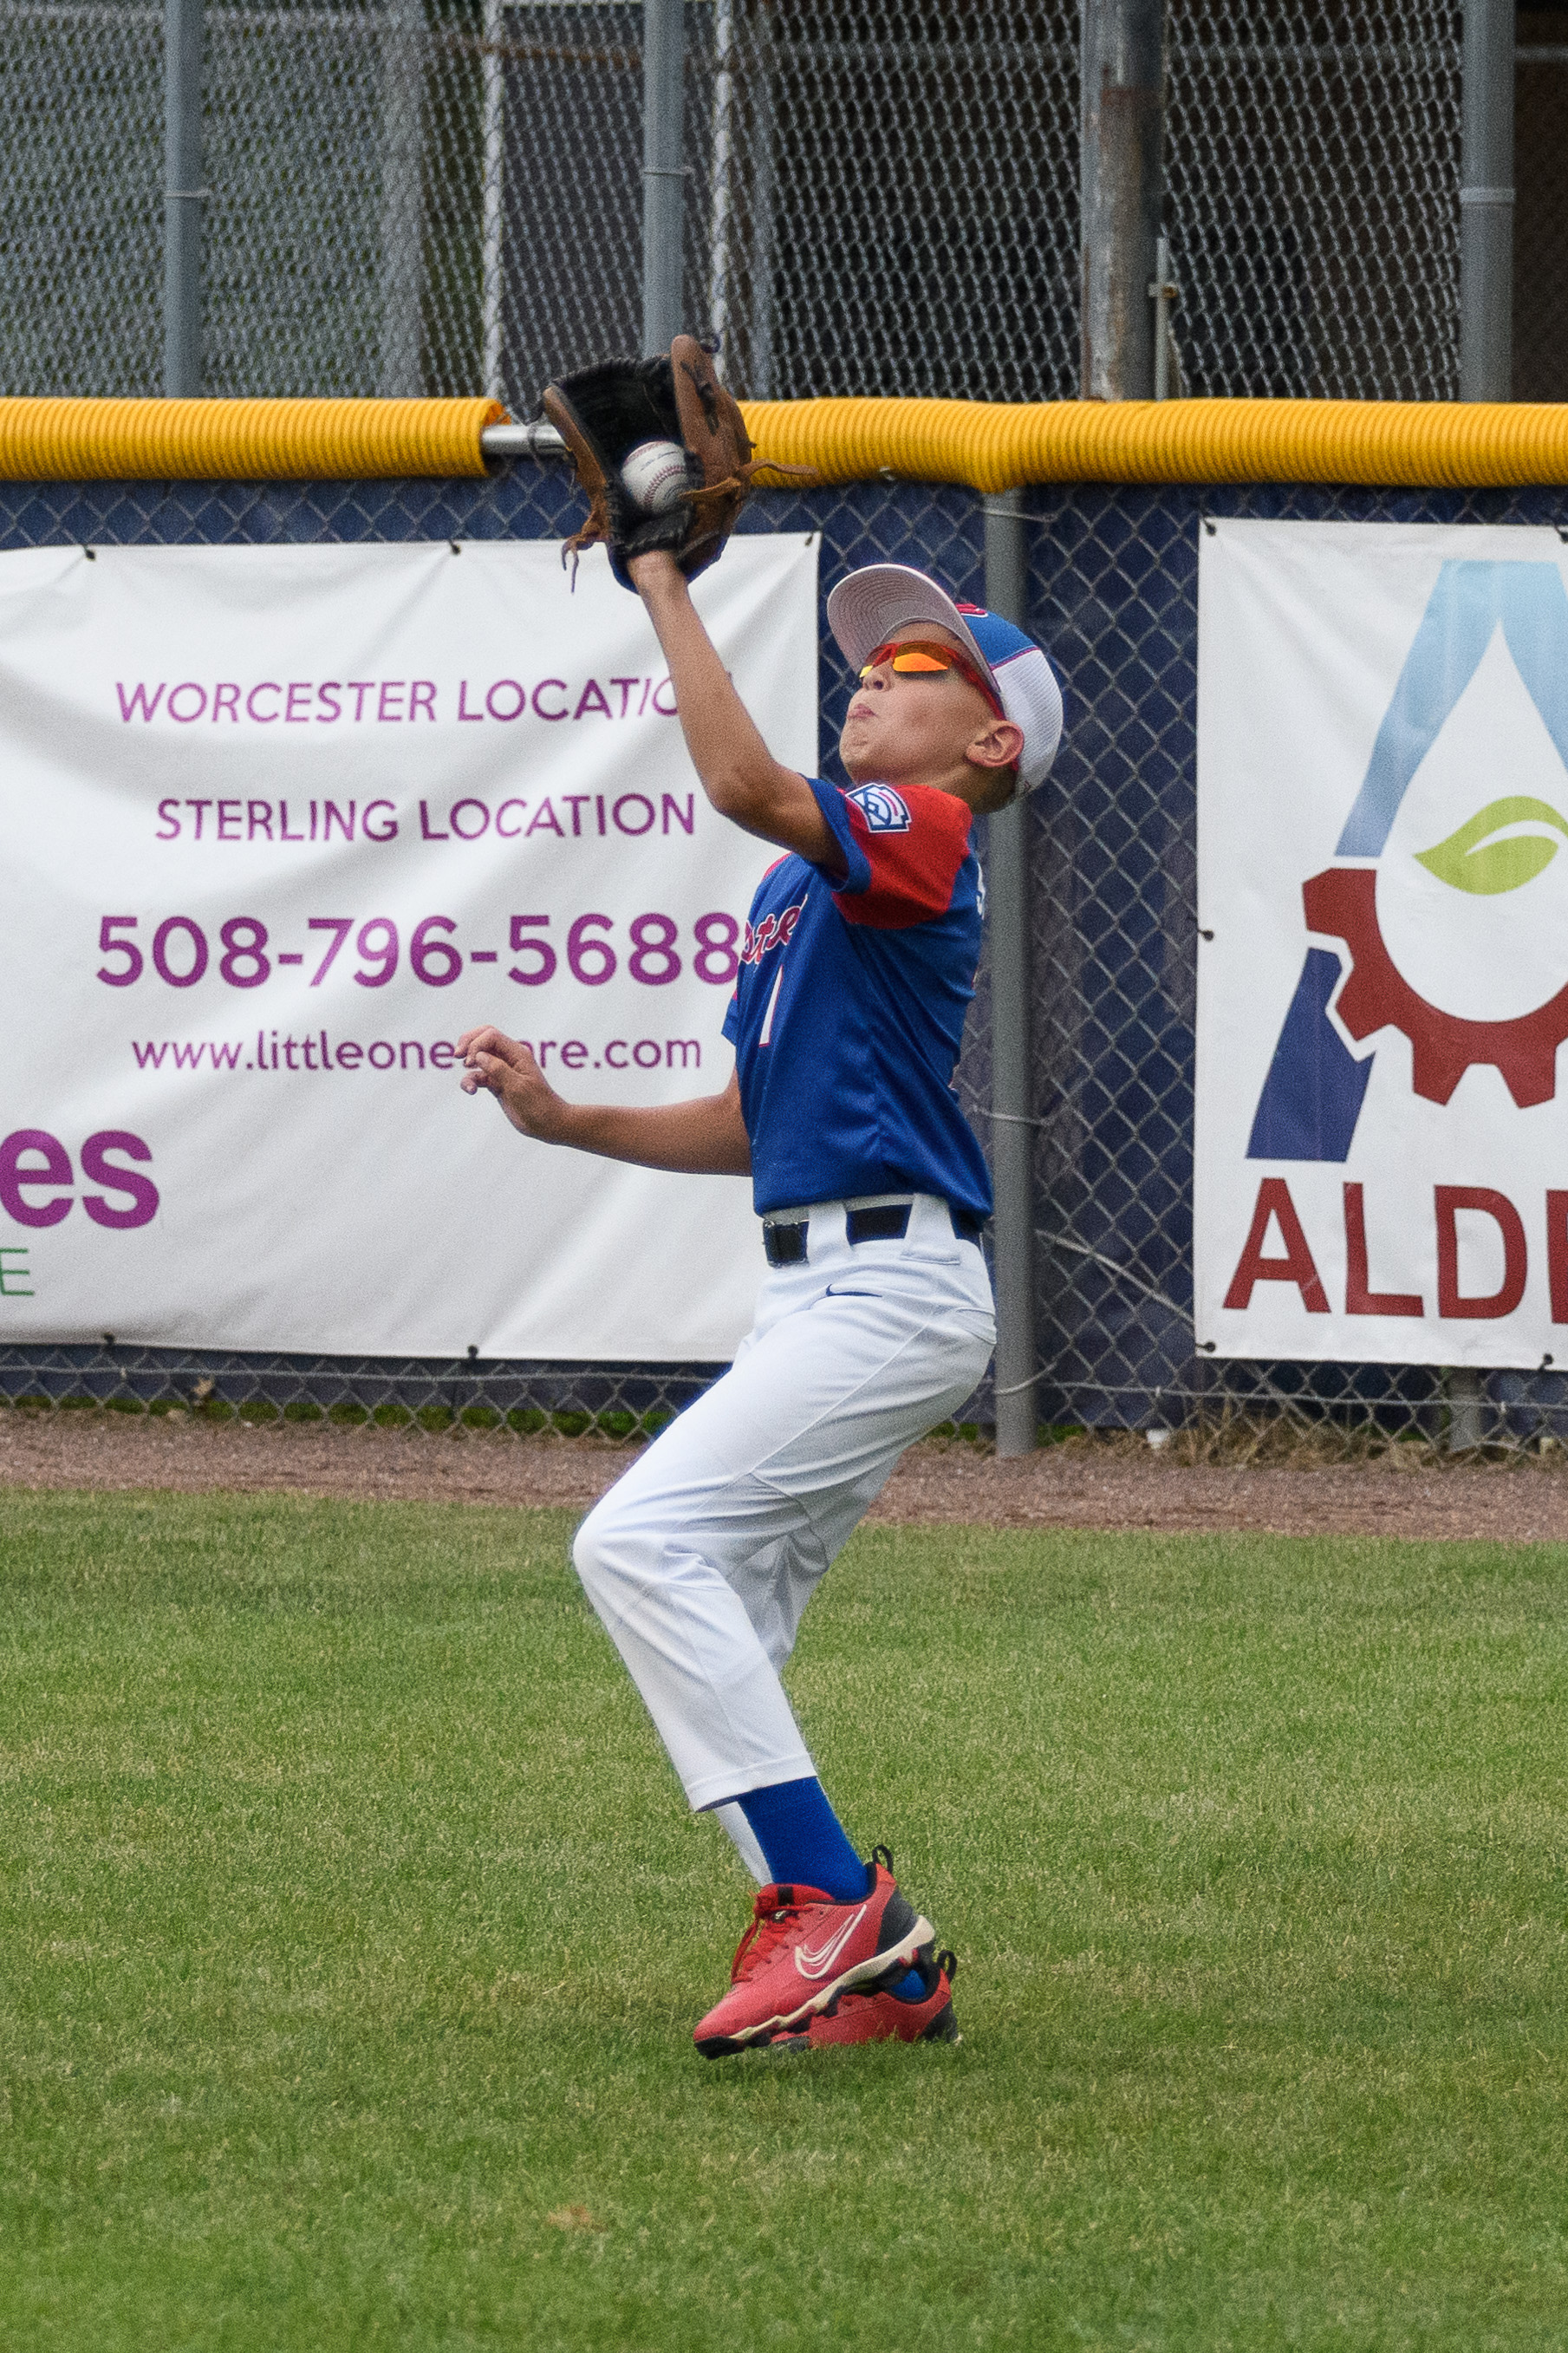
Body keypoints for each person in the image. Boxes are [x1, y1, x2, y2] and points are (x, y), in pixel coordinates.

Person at [458, 548, 1062, 2056]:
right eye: (865, 662)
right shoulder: (812, 884)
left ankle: (824, 1904)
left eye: (916, 672)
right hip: (814, 1290)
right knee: (725, 1614)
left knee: (638, 1543)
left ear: (990, 745)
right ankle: (888, 1970)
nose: (871, 678)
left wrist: (661, 580)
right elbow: (753, 1117)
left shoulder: (924, 831)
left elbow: (736, 778)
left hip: (893, 1284)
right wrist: (569, 1121)